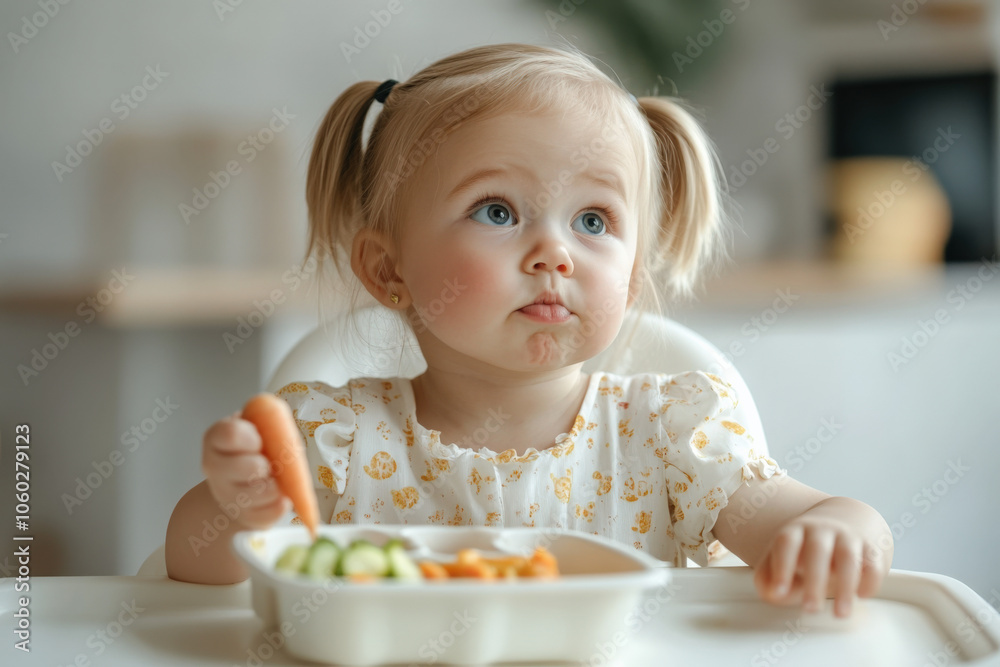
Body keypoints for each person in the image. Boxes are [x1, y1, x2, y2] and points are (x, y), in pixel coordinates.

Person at [165, 43, 892, 618]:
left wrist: (841, 532)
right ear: (389, 271)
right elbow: (191, 571)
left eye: (593, 220)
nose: (556, 252)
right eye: (498, 211)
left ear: (634, 275)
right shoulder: (335, 440)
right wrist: (239, 508)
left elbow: (819, 517)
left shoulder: (671, 435)